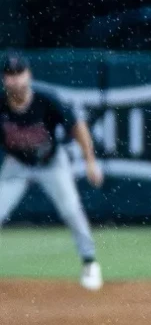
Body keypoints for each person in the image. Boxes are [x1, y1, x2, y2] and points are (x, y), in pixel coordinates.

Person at [1, 54, 105, 290]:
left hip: (51, 162)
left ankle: (90, 262)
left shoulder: (46, 99)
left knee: (71, 209)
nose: (15, 80)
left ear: (29, 75)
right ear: (4, 79)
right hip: (17, 164)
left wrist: (90, 161)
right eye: (10, 75)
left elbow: (78, 127)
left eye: (19, 74)